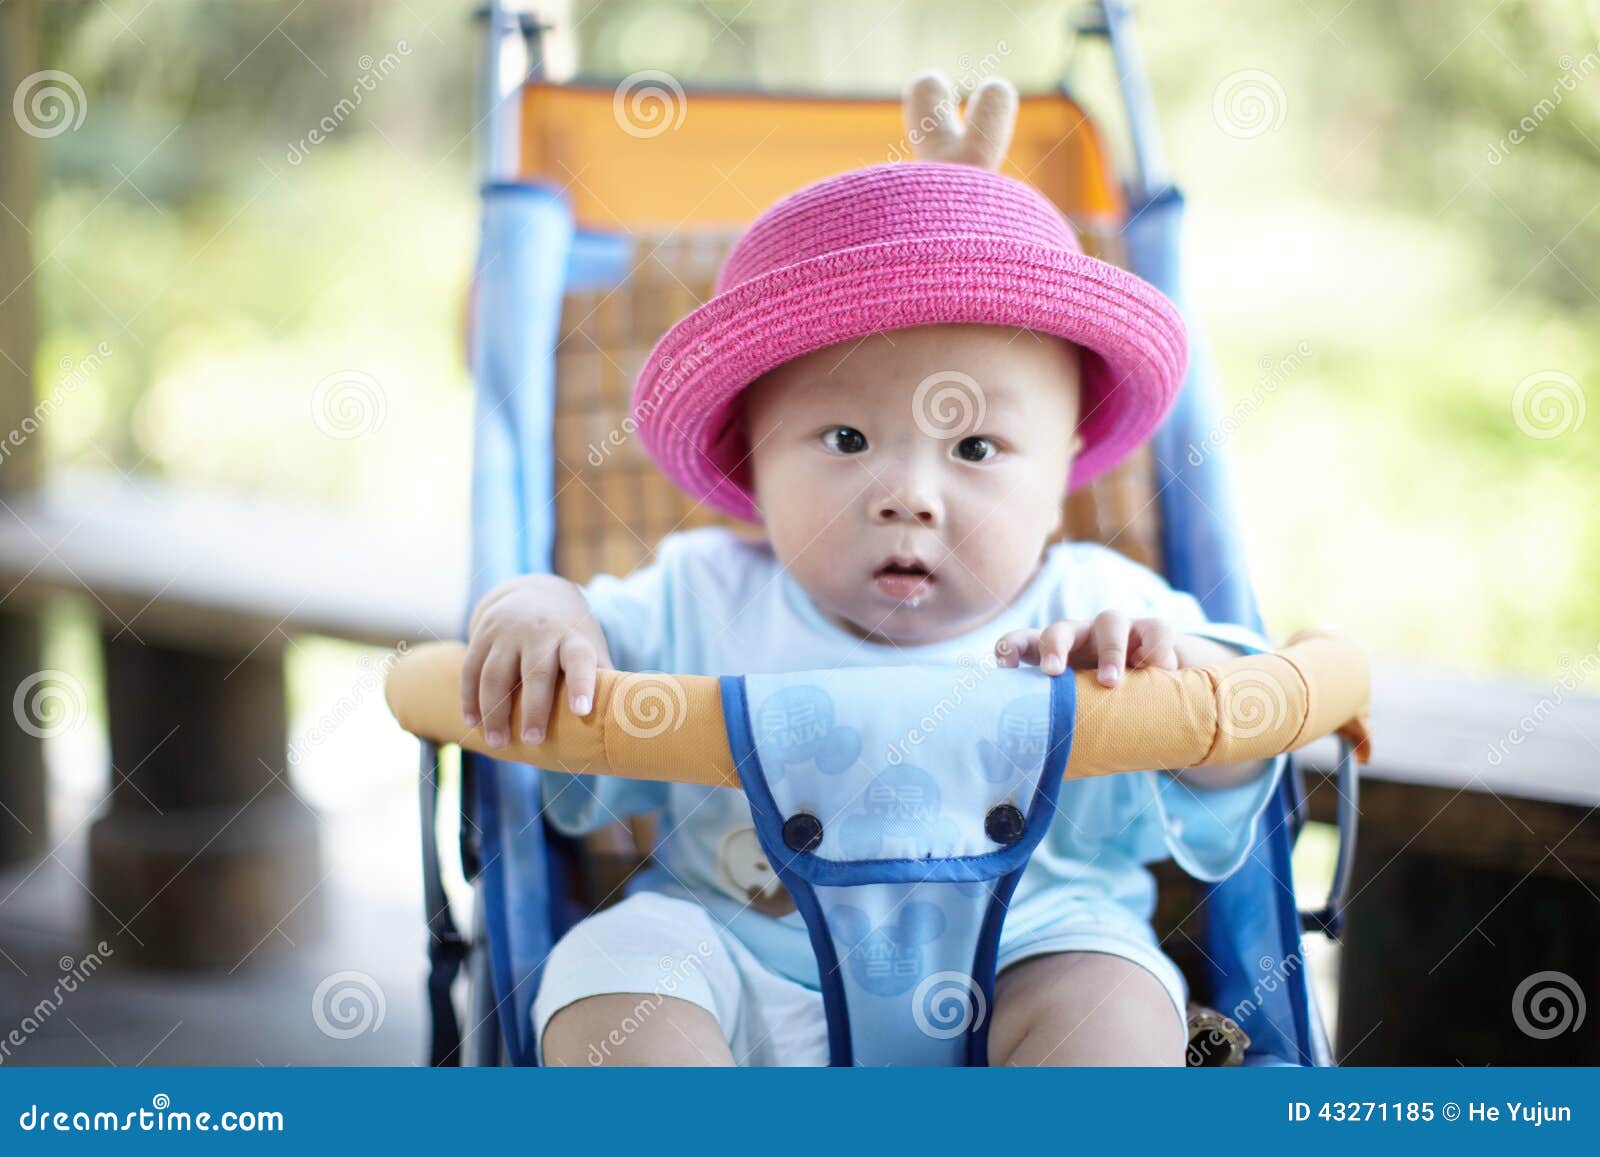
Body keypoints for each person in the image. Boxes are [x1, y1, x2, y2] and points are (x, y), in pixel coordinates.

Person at [460, 84, 1284, 1066]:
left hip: (1024, 951)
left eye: (976, 445)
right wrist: (535, 606)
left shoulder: (1099, 606)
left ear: (1065, 458)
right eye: (845, 437)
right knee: (608, 972)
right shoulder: (699, 593)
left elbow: (1245, 732)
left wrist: (1181, 678)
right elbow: (570, 683)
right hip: (737, 962)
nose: (908, 494)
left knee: (1110, 997)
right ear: (752, 456)